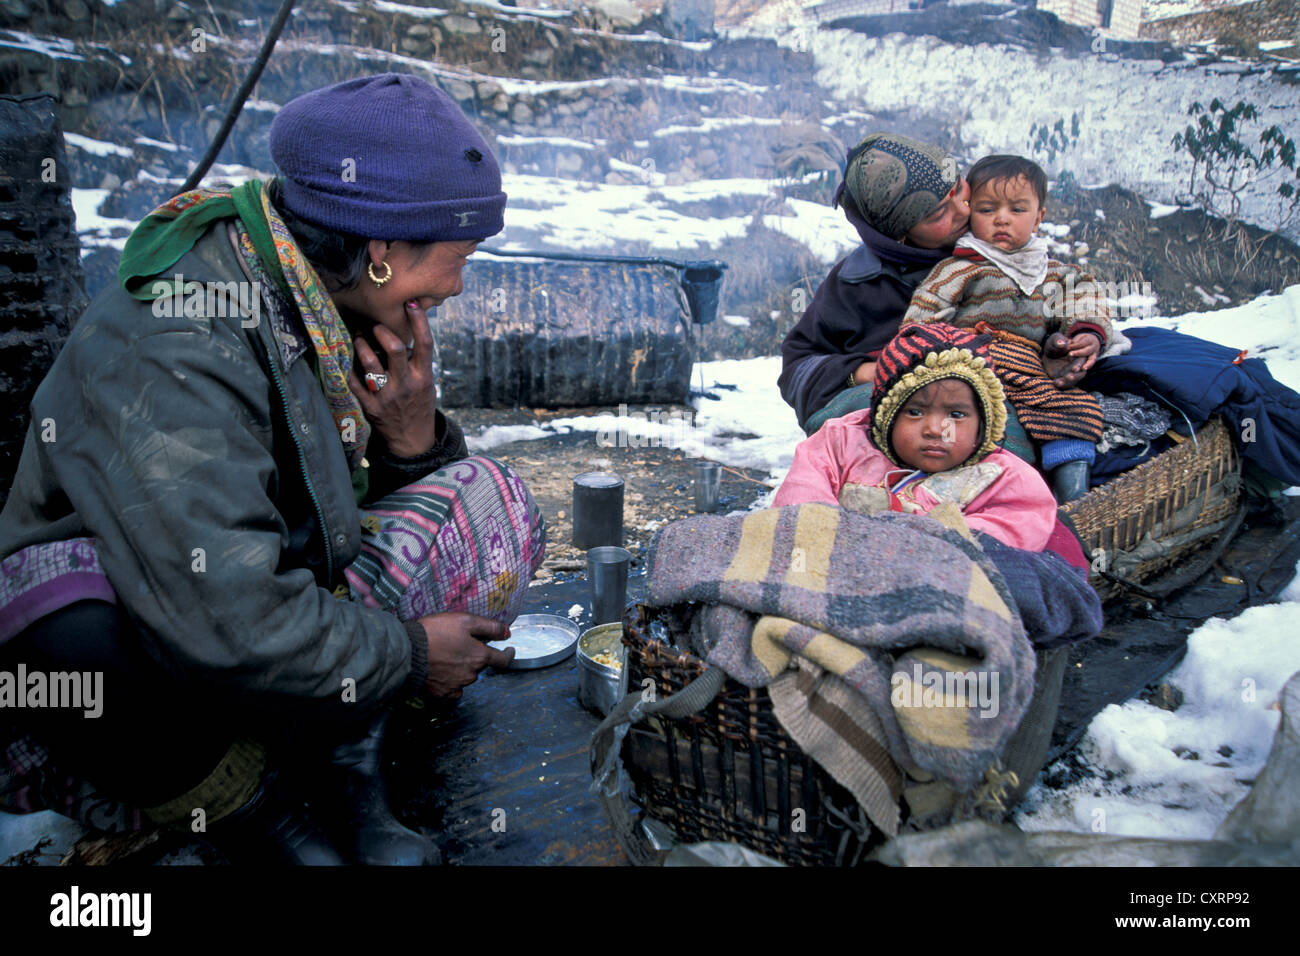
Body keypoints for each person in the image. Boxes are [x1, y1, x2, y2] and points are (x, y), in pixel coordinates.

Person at [0, 74, 545, 865]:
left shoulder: (308, 297)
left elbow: (318, 529)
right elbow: (230, 615)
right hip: (136, 687)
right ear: (384, 254)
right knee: (59, 608)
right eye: (458, 259)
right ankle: (247, 809)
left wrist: (410, 441)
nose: (457, 286)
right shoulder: (184, 336)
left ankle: (338, 759)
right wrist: (411, 654)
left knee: (487, 500)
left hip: (253, 630)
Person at [901, 155, 1118, 500]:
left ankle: (1071, 495)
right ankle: (988, 491)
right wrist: (938, 356)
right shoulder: (958, 269)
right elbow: (921, 320)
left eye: (1017, 210)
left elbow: (1084, 297)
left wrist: (1086, 334)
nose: (1001, 219)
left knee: (1074, 410)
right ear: (970, 212)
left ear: (1039, 217)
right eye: (987, 209)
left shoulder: (1053, 273)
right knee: (982, 424)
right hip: (970, 369)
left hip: (1031, 370)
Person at [774, 323, 1057, 552]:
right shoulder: (840, 444)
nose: (935, 429)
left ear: (984, 424)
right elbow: (801, 501)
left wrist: (925, 544)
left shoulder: (1004, 477)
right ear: (887, 414)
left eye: (956, 415)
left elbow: (1015, 531)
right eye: (915, 411)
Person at [778, 132, 973, 435]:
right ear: (900, 234)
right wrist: (870, 372)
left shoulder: (1008, 250)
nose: (964, 210)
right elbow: (797, 368)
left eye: (959, 188)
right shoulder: (856, 283)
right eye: (938, 213)